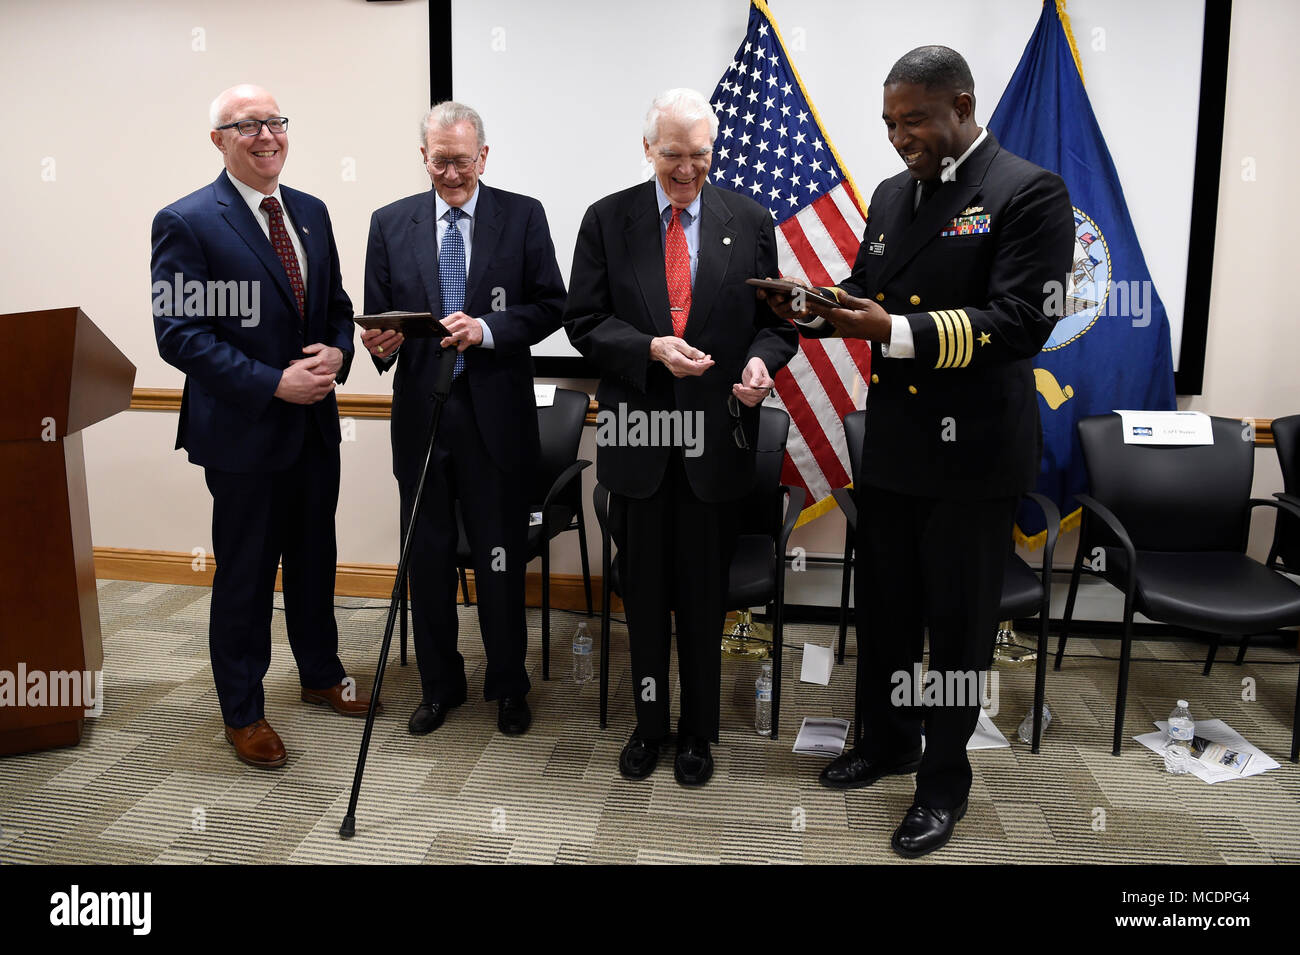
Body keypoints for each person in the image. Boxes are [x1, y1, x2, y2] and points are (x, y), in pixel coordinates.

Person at [763, 46, 1074, 856]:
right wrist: (819, 309)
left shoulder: (1028, 191)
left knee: (958, 630)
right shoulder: (893, 195)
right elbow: (875, 289)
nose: (902, 138)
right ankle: (888, 740)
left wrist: (892, 331)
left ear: (962, 105)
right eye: (891, 124)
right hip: (897, 446)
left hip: (973, 456)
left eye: (916, 120)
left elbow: (1019, 323)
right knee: (888, 611)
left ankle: (943, 784)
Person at [565, 89, 798, 787]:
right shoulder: (608, 220)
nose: (688, 168)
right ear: (648, 150)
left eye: (700, 154)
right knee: (642, 598)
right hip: (638, 442)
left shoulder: (750, 219)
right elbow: (584, 321)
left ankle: (698, 732)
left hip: (715, 447)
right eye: (674, 155)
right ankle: (649, 726)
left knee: (702, 600)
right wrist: (649, 349)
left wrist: (762, 361)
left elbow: (776, 324)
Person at [152, 84, 371, 770]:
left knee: (314, 557)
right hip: (244, 432)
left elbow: (336, 305)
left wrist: (339, 348)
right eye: (248, 125)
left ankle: (319, 673)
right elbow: (178, 334)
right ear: (219, 140)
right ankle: (243, 711)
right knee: (247, 573)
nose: (267, 134)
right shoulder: (188, 221)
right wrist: (272, 381)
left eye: (275, 121)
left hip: (315, 427)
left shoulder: (309, 211)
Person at [361, 102, 566, 738]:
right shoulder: (389, 223)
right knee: (426, 558)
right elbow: (378, 318)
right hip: (422, 418)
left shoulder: (522, 215)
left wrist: (488, 328)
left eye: (463, 160)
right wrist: (379, 345)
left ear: (484, 156)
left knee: (498, 558)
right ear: (423, 157)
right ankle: (439, 686)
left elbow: (553, 305)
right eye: (440, 160)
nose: (452, 173)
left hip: (496, 419)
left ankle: (507, 685)